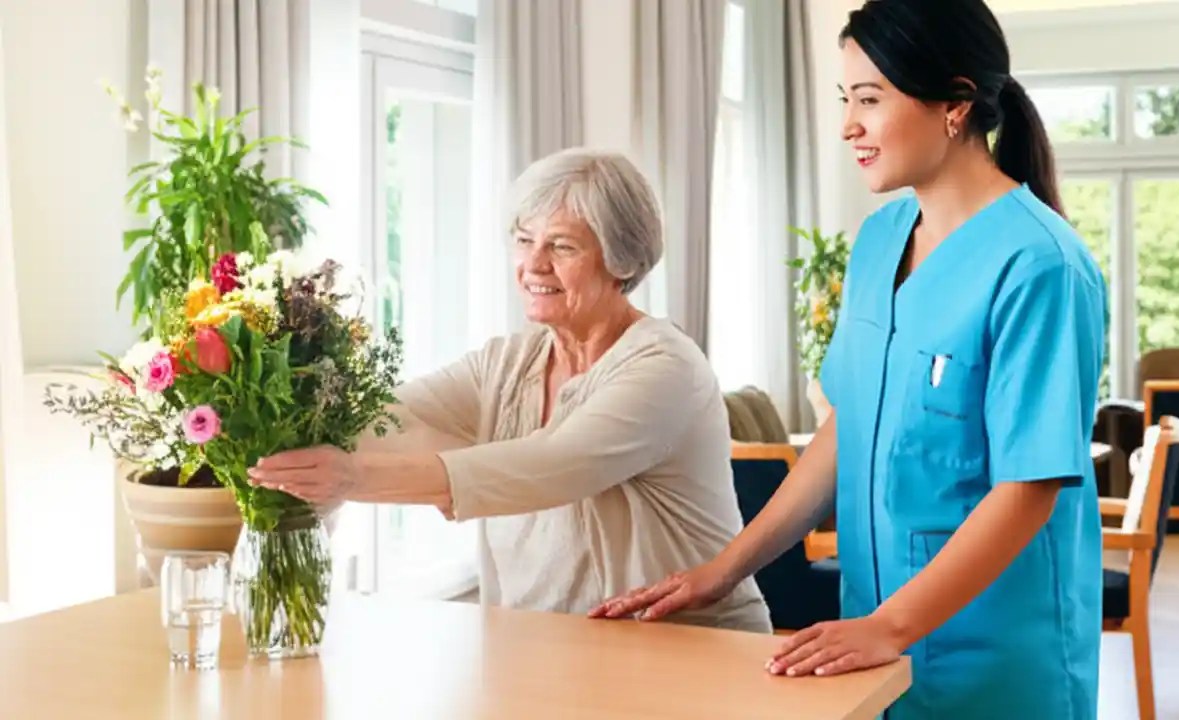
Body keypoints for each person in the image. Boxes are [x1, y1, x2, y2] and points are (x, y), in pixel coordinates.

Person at [590, 1, 1106, 718]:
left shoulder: (1042, 267)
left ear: (955, 105)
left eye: (870, 99)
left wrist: (888, 628)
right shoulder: (879, 240)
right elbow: (846, 431)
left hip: (994, 659)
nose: (847, 126)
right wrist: (725, 570)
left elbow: (1028, 489)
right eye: (845, 99)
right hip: (867, 642)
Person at [248, 147, 771, 633]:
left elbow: (550, 465)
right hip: (553, 656)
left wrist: (351, 477)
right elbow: (387, 417)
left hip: (694, 652)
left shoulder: (664, 366)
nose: (534, 264)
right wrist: (266, 422)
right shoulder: (507, 363)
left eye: (562, 246)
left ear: (624, 261)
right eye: (524, 240)